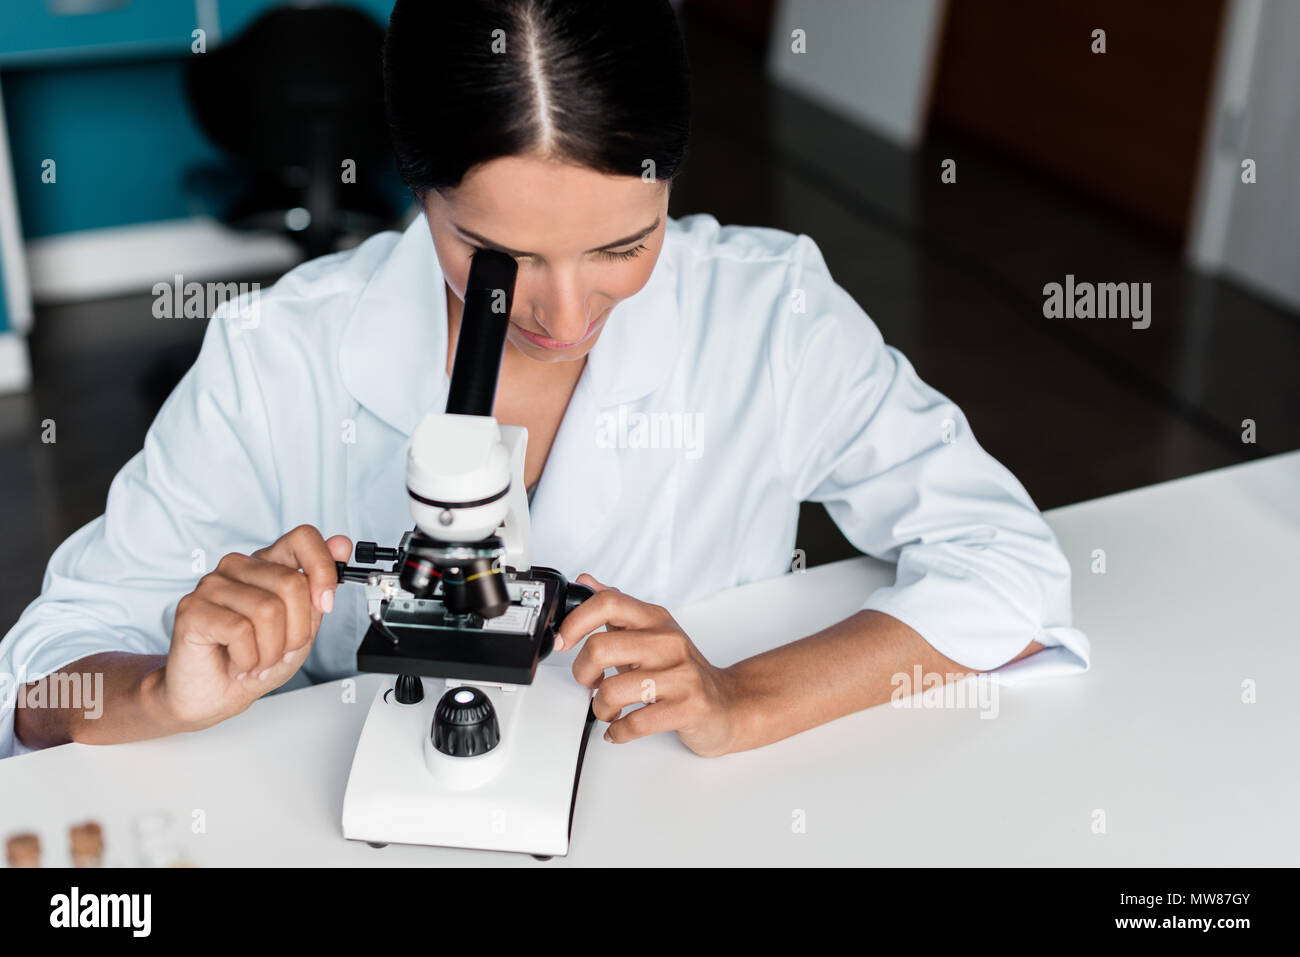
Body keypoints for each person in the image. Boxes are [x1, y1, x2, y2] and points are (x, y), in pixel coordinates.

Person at [0, 0, 1088, 761]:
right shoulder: (278, 355)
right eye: (497, 258)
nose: (564, 320)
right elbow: (37, 681)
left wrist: (741, 699)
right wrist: (155, 690)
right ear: (420, 191)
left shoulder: (769, 316)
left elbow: (1002, 561)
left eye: (623, 248)